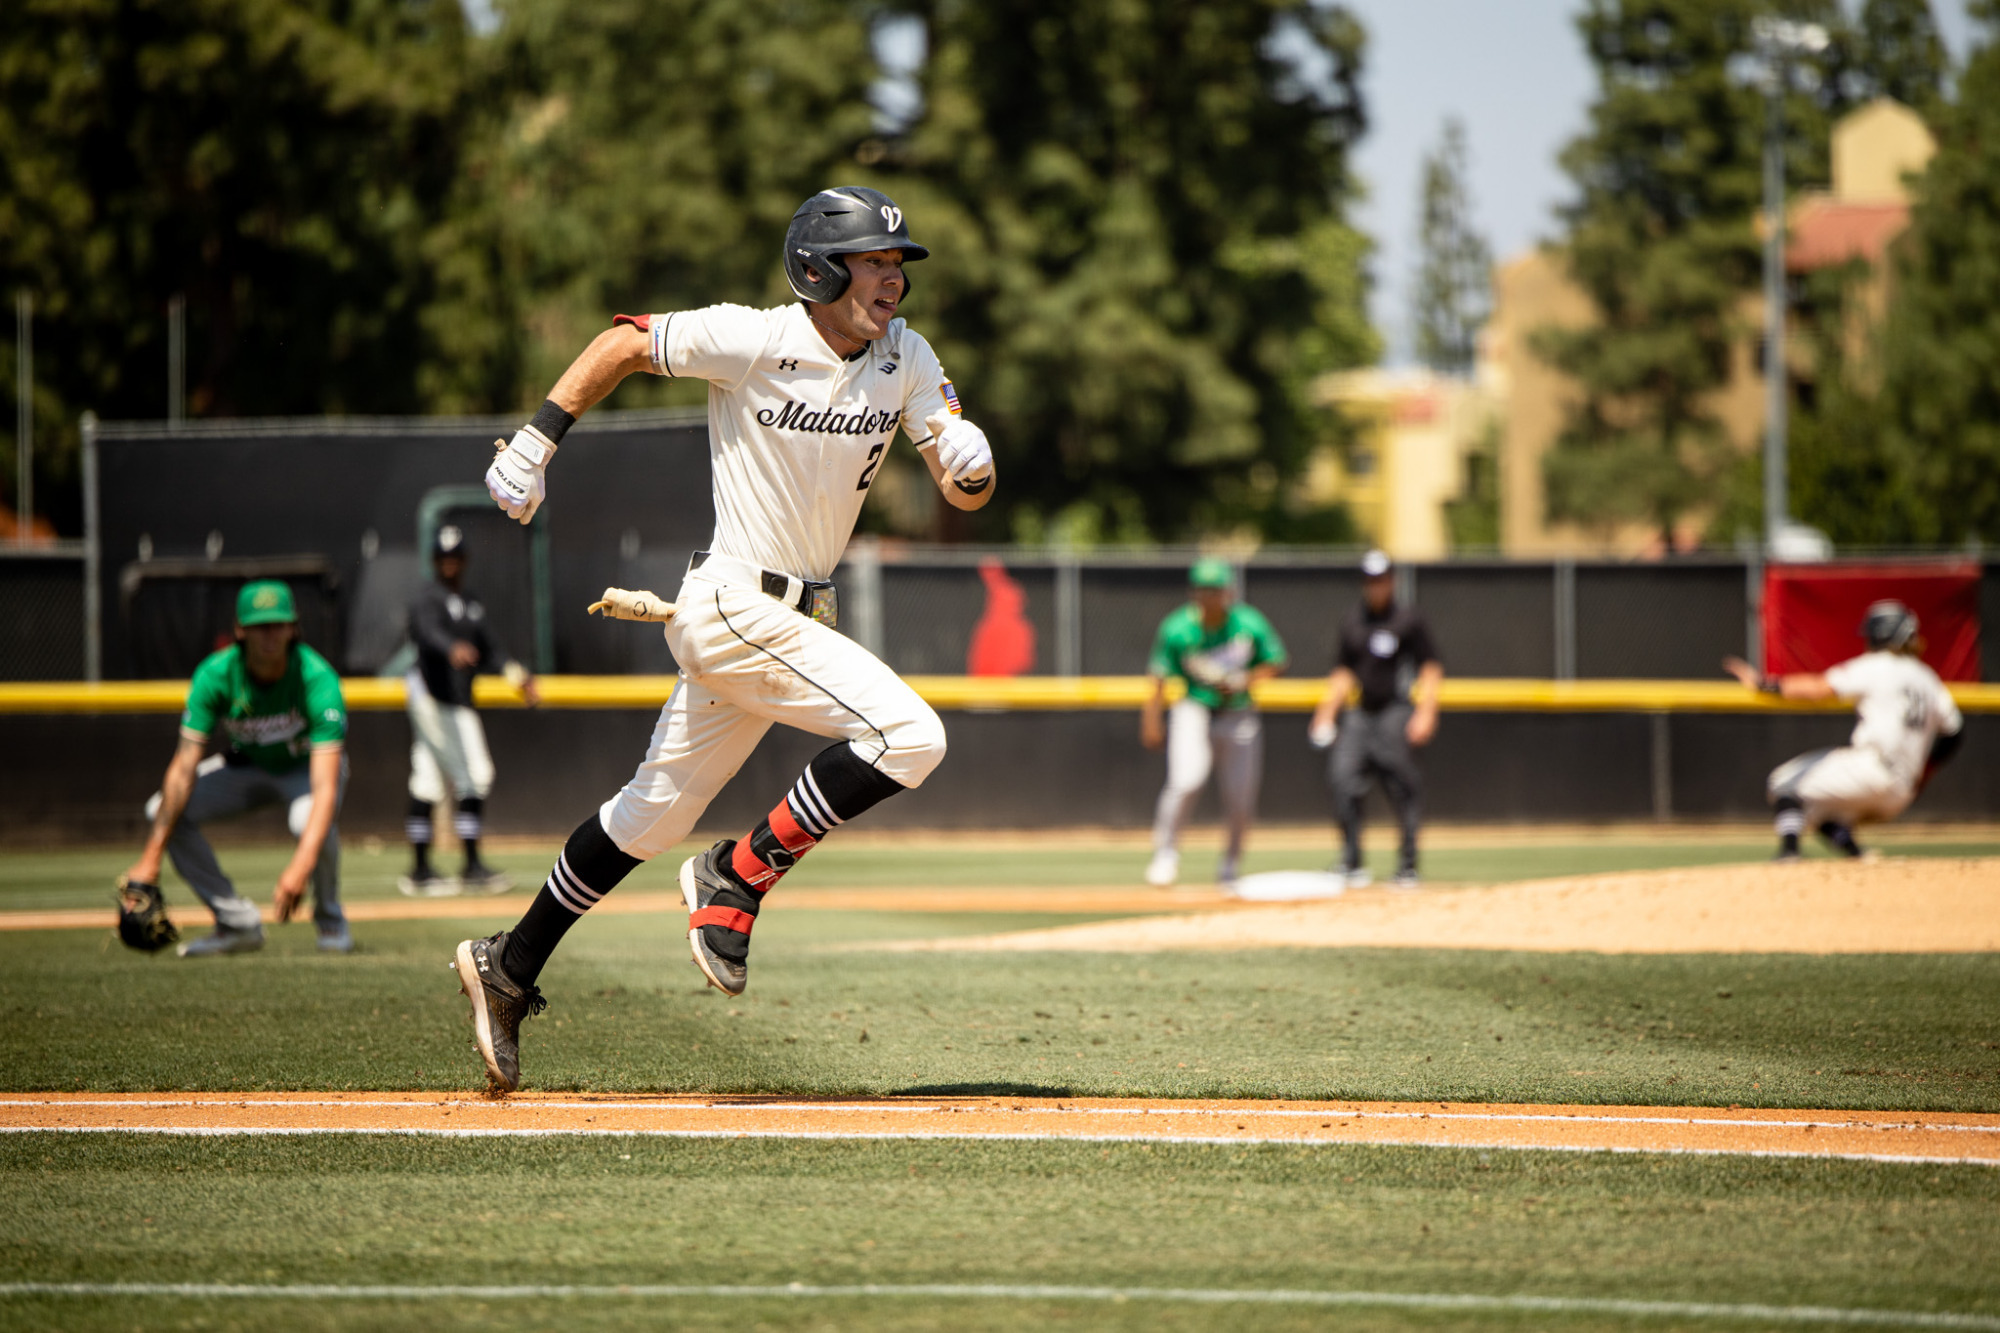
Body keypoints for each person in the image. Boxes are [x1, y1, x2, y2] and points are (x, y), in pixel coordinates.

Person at [454, 186, 995, 1091]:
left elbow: (959, 485)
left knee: (651, 815)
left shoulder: (906, 354)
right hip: (734, 602)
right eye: (873, 260)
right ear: (818, 269)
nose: (893, 278)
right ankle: (736, 876)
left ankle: (508, 962)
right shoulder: (754, 336)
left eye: (898, 263)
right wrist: (536, 440)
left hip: (791, 618)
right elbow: (624, 341)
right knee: (912, 736)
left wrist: (971, 465)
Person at [122, 580, 351, 955]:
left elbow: (325, 788)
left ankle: (331, 920)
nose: (269, 635)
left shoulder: (316, 677)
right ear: (240, 630)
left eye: (278, 624)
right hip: (249, 766)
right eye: (260, 626)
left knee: (307, 821)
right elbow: (183, 767)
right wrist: (150, 859)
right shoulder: (216, 674)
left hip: (304, 772)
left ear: (293, 627)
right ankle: (236, 924)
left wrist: (299, 868)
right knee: (160, 809)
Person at [1724, 599, 1964, 861]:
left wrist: (1762, 684)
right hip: (1902, 791)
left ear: (1878, 635)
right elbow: (1954, 732)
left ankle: (1789, 852)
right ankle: (1857, 855)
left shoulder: (1877, 664)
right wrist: (1924, 774)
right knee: (1819, 807)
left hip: (1871, 771)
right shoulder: (1927, 678)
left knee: (1783, 783)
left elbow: (1819, 688)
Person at [399, 523, 541, 897]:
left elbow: (490, 649)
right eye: (443, 557)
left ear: (464, 560)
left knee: (427, 779)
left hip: (455, 699)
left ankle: (420, 871)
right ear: (434, 560)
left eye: (455, 556)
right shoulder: (428, 599)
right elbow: (426, 632)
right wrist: (451, 647)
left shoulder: (471, 603)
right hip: (431, 696)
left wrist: (516, 675)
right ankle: (470, 866)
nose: (450, 563)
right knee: (475, 774)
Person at [1139, 558, 1287, 890]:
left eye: (1214, 590)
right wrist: (1151, 720)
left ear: (1228, 592)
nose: (1208, 597)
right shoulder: (1178, 627)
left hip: (1239, 713)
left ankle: (1230, 865)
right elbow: (1158, 677)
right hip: (1194, 708)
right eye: (1202, 590)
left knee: (1240, 797)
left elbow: (1277, 661)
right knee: (1185, 780)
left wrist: (1245, 680)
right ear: (1193, 593)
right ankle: (1165, 855)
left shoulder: (1247, 623)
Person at [1309, 549, 1442, 890]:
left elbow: (1429, 667)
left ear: (1392, 580)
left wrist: (1426, 712)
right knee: (1342, 779)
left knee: (1402, 787)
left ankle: (1407, 867)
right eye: (1370, 579)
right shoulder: (1353, 620)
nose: (1375, 585)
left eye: (1381, 579)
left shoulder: (1408, 619)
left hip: (1395, 711)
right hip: (1360, 713)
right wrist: (1326, 713)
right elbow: (1343, 671)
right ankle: (1351, 862)